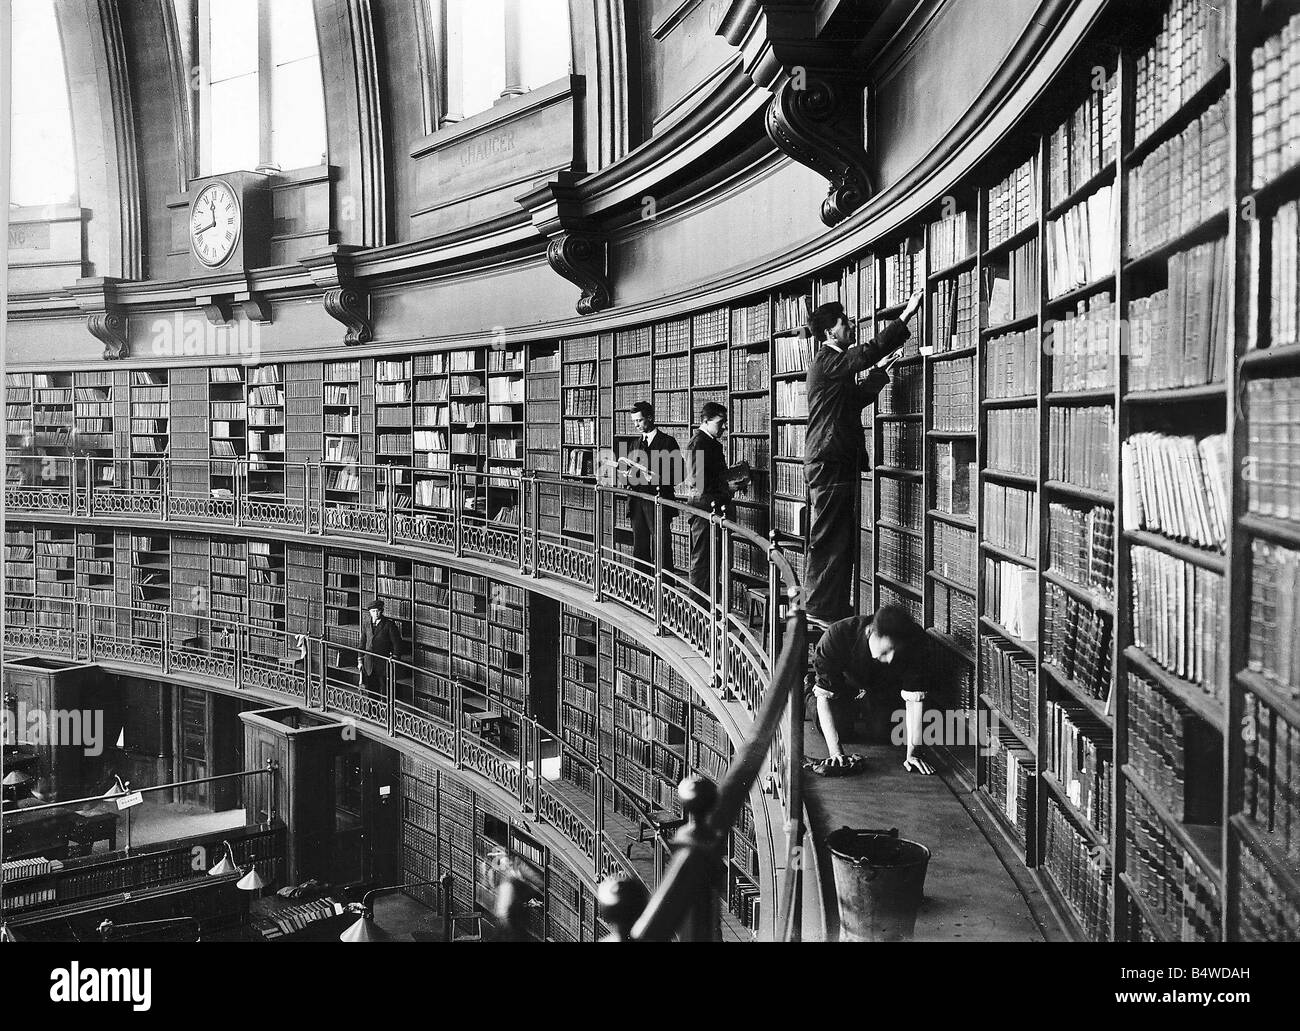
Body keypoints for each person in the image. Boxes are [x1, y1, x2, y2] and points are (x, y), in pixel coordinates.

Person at [803, 290, 923, 628]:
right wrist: (907, 315)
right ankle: (819, 607)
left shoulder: (832, 365)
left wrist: (880, 371)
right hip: (830, 459)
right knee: (829, 537)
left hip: (835, 459)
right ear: (831, 332)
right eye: (845, 322)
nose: (850, 325)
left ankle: (830, 606)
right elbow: (866, 353)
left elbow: (853, 400)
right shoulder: (828, 359)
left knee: (839, 539)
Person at [806, 604, 934, 774]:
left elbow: (914, 700)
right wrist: (836, 753)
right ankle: (808, 690)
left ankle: (862, 705)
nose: (890, 659)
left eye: (895, 650)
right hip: (840, 686)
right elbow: (825, 699)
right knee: (840, 729)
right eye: (886, 650)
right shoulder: (837, 636)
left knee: (885, 733)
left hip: (880, 687)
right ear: (869, 632)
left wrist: (913, 753)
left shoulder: (915, 641)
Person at [683, 402, 737, 600]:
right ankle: (696, 611)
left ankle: (706, 608)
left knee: (711, 559)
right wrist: (728, 486)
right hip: (704, 508)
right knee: (703, 560)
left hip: (711, 508)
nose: (724, 427)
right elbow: (698, 480)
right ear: (705, 422)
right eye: (720, 423)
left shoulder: (708, 442)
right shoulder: (699, 442)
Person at [626, 401, 682, 576]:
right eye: (634, 421)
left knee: (662, 547)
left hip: (658, 502)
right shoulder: (635, 443)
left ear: (650, 418)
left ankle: (664, 591)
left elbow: (679, 474)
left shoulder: (667, 442)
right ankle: (641, 591)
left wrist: (657, 477)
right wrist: (627, 475)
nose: (636, 425)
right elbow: (630, 472)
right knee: (639, 548)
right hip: (637, 501)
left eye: (639, 420)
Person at [358, 599, 403, 693]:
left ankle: (385, 707)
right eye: (373, 611)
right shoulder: (366, 623)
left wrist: (394, 661)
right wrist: (360, 660)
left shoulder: (389, 624)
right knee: (371, 690)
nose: (376, 613)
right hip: (369, 663)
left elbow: (397, 644)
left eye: (378, 610)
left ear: (381, 611)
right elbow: (362, 642)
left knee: (384, 690)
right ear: (370, 612)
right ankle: (372, 708)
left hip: (383, 664)